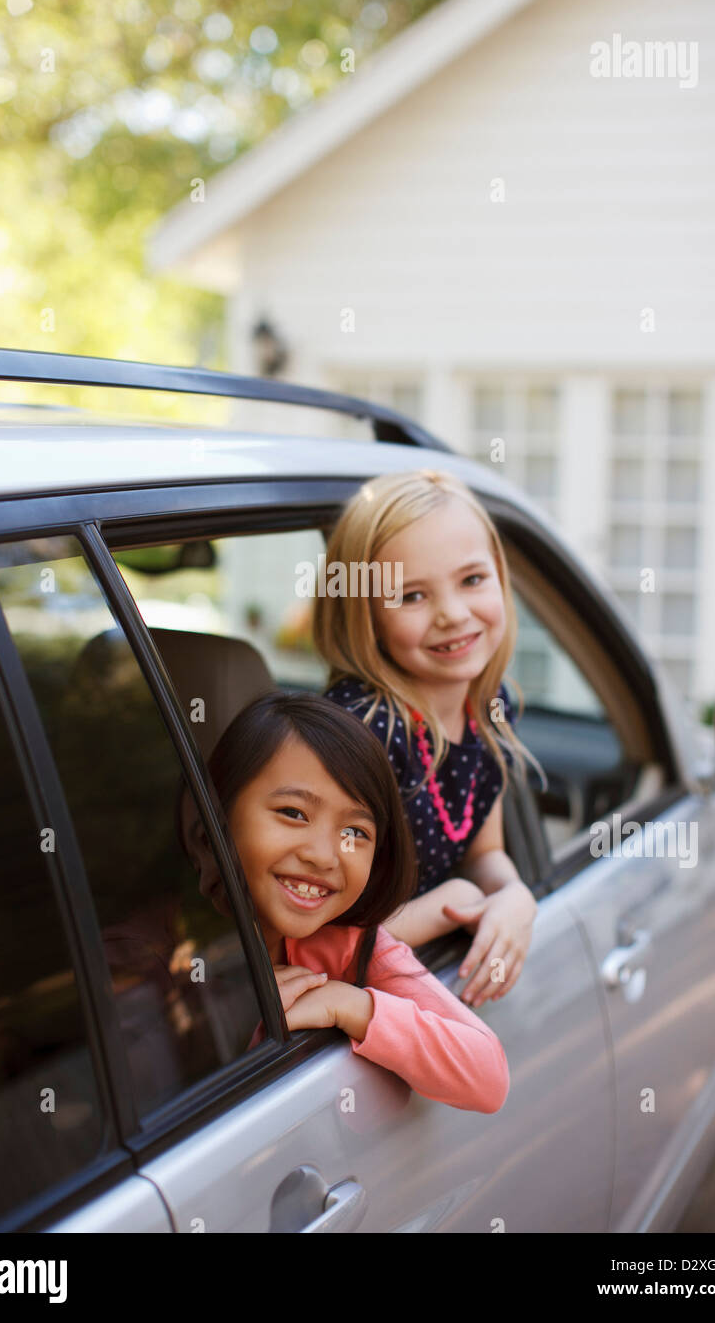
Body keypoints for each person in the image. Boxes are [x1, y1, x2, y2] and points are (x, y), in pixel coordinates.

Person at [179, 691, 509, 1115]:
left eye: (355, 833)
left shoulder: (350, 947)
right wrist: (238, 1016)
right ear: (216, 821)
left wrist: (353, 1006)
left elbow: (487, 1076)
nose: (323, 855)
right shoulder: (164, 951)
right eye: (294, 813)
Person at [313, 469, 545, 1009]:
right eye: (412, 595)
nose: (453, 615)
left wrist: (512, 895)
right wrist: (455, 905)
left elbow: (481, 850)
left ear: (500, 579)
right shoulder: (357, 737)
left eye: (472, 580)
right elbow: (322, 945)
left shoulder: (489, 706)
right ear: (364, 614)